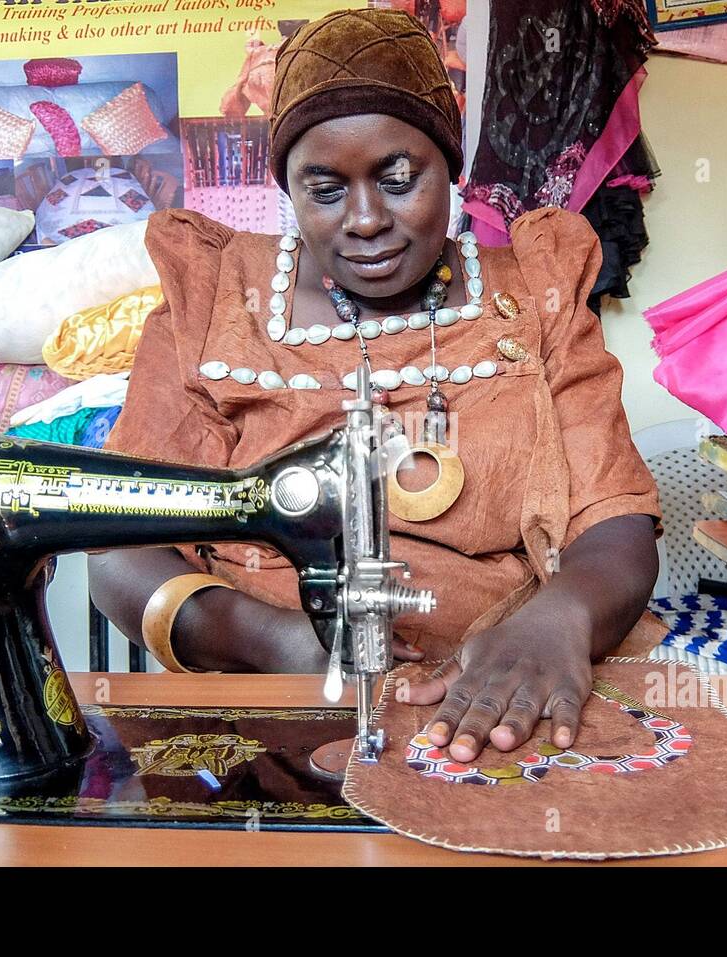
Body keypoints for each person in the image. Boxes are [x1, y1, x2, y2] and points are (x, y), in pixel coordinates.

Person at [90, 8, 660, 764]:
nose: (365, 219)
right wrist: (272, 638)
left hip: (506, 688)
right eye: (324, 189)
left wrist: (560, 618)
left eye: (398, 180)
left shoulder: (539, 294)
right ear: (287, 190)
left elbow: (616, 524)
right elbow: (121, 545)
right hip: (276, 699)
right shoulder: (215, 302)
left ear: (450, 166)